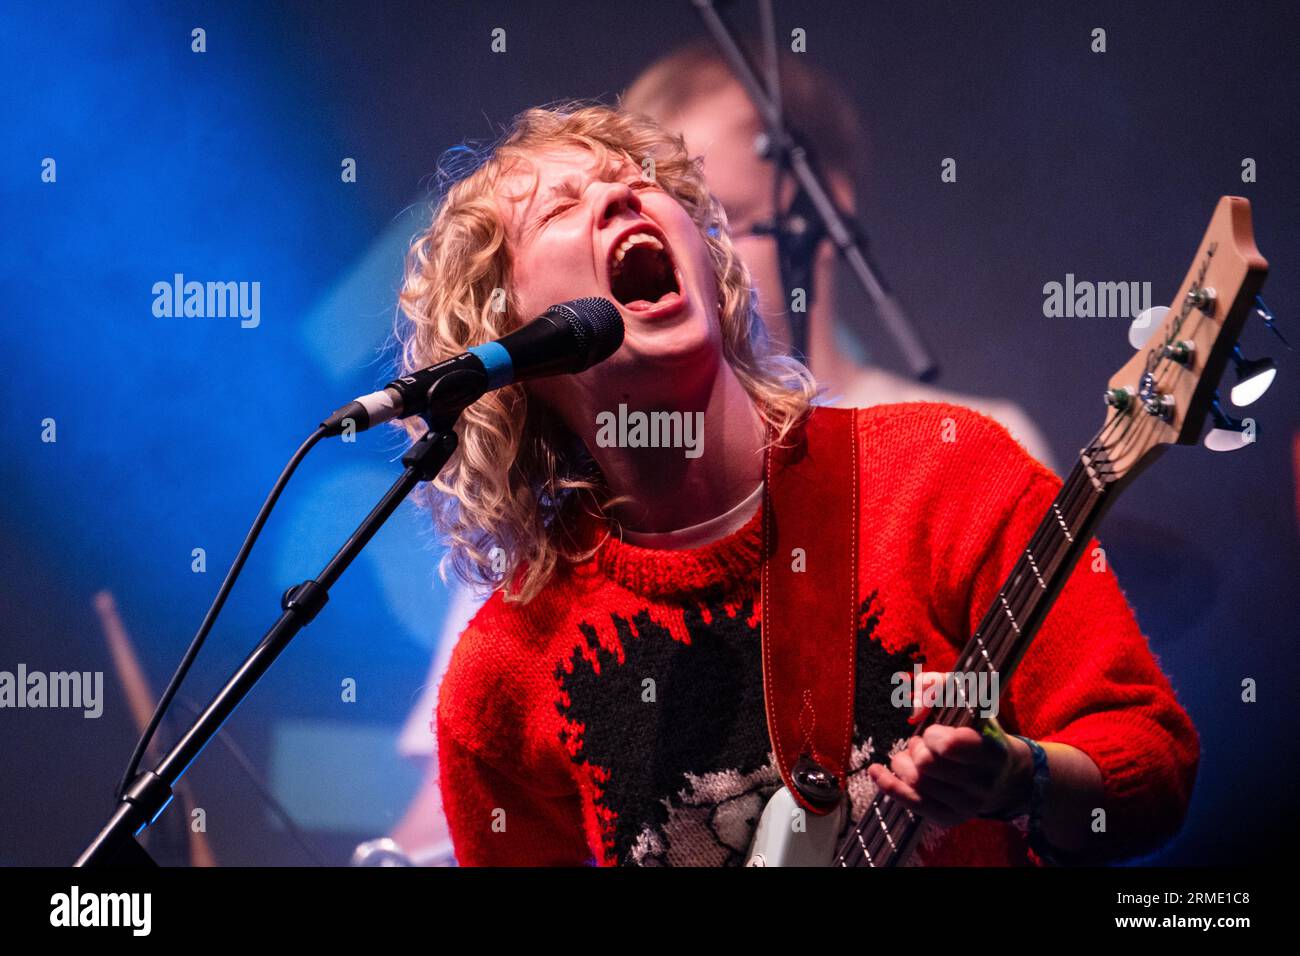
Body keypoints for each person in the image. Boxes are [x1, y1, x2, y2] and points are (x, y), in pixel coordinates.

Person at [396, 101, 1197, 866]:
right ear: (510, 339)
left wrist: (1024, 777)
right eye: (560, 208)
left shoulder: (942, 471)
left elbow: (1148, 762)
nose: (617, 196)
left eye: (638, 181)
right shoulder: (501, 677)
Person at [622, 40, 1057, 468]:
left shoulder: (980, 448)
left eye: (723, 221)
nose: (694, 259)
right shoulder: (638, 465)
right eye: (666, 234)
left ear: (825, 208)